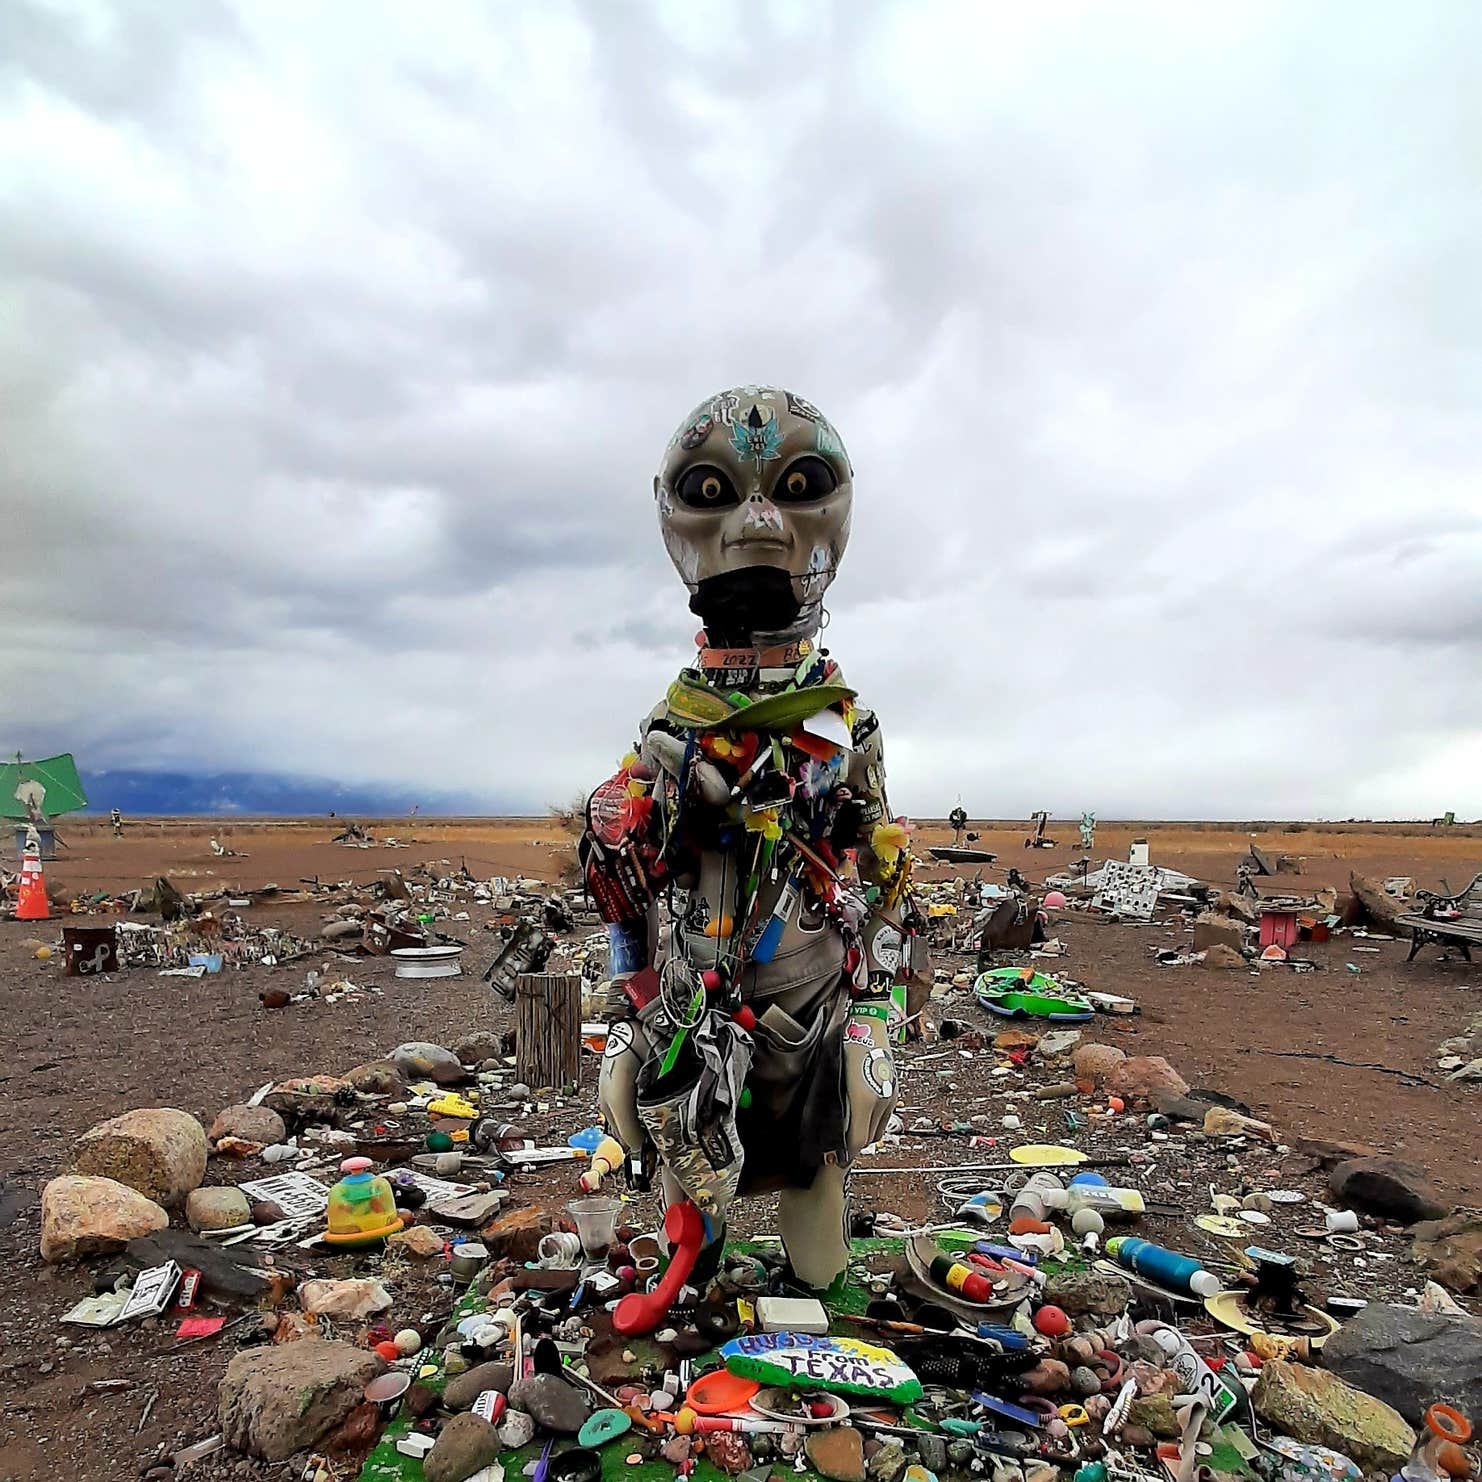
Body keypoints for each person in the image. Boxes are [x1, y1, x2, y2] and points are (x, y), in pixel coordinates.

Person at [584, 386, 916, 1289]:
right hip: (694, 1012)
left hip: (810, 1010)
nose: (762, 520)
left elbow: (884, 875)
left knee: (820, 1252)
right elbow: (627, 889)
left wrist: (876, 1019)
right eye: (716, 488)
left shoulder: (846, 725)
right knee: (686, 1205)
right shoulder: (670, 727)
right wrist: (630, 1004)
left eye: (799, 483)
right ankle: (699, 1240)